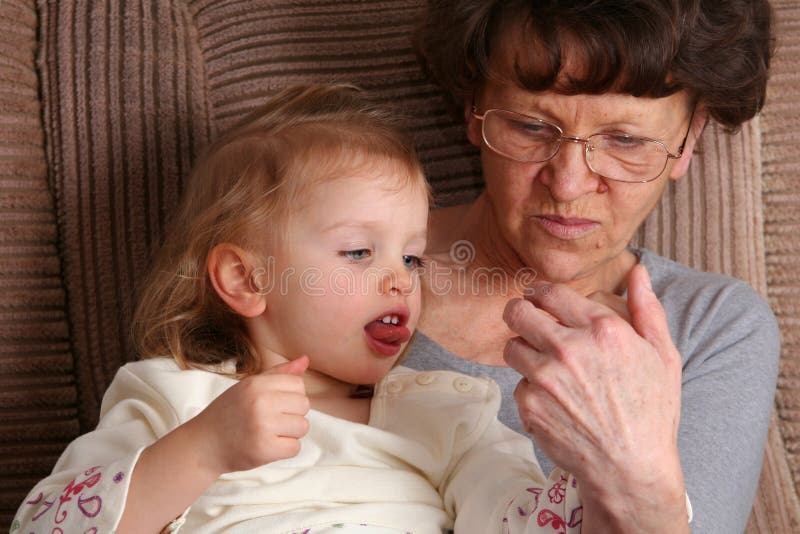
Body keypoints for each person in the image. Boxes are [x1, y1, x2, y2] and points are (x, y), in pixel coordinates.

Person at [11, 84, 597, 534]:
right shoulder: (177, 400)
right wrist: (204, 449)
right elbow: (46, 525)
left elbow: (520, 522)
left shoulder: (449, 414)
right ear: (246, 278)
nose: (400, 280)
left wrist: (591, 464)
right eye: (359, 251)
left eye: (413, 258)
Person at [403, 1, 779, 533]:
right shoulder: (331, 266)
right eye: (532, 127)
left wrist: (633, 473)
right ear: (474, 107)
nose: (569, 184)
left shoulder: (711, 326)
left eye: (625, 140)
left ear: (689, 138)